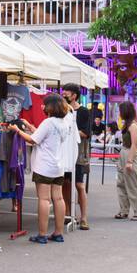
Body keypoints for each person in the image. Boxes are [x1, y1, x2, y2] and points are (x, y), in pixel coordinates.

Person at [13, 95, 69, 245]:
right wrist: (30, 127)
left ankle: (42, 234)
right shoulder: (63, 123)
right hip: (58, 166)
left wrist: (17, 130)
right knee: (58, 198)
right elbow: (45, 136)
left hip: (44, 166)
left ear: (51, 107)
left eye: (44, 105)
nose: (42, 107)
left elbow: (32, 140)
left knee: (44, 199)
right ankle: (58, 233)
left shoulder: (48, 122)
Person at [60, 84, 92, 230]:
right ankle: (67, 213)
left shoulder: (84, 112)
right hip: (64, 152)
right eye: (63, 92)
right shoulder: (61, 110)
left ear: (74, 96)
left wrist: (69, 131)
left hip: (78, 153)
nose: (64, 94)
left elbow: (86, 132)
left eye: (67, 92)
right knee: (65, 183)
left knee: (79, 185)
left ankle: (84, 217)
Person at [114, 100, 137, 221]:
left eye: (120, 110)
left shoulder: (133, 125)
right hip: (124, 152)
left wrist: (129, 161)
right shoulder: (127, 124)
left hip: (130, 154)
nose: (119, 113)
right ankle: (124, 210)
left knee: (133, 184)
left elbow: (135, 144)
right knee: (121, 183)